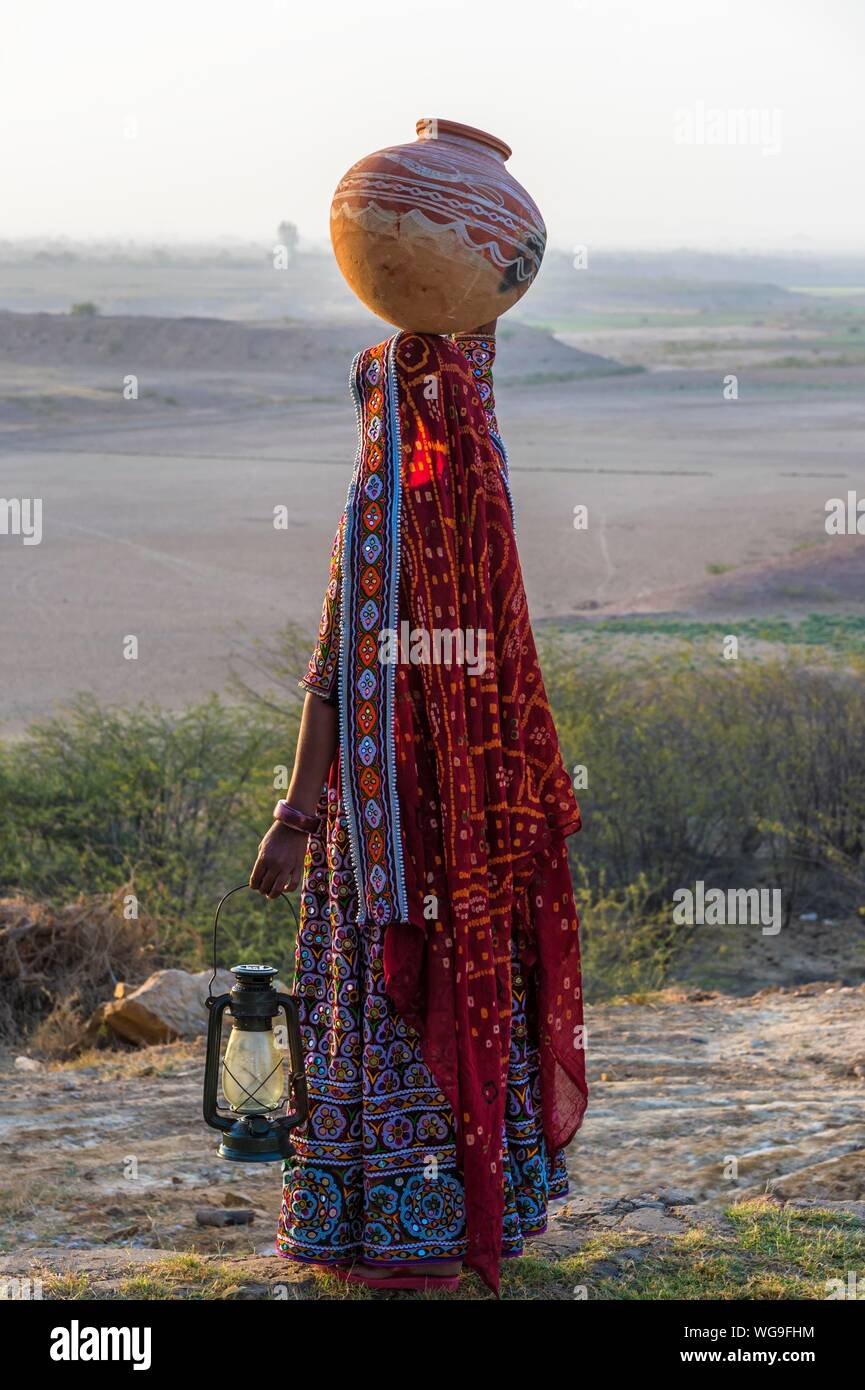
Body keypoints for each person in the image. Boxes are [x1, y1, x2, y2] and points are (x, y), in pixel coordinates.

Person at [250, 323, 587, 1295]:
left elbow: (330, 677)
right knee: (469, 992)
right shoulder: (485, 502)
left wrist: (297, 813)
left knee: (382, 994)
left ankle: (395, 1226)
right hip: (464, 833)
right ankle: (463, 1211)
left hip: (385, 829)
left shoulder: (383, 511)